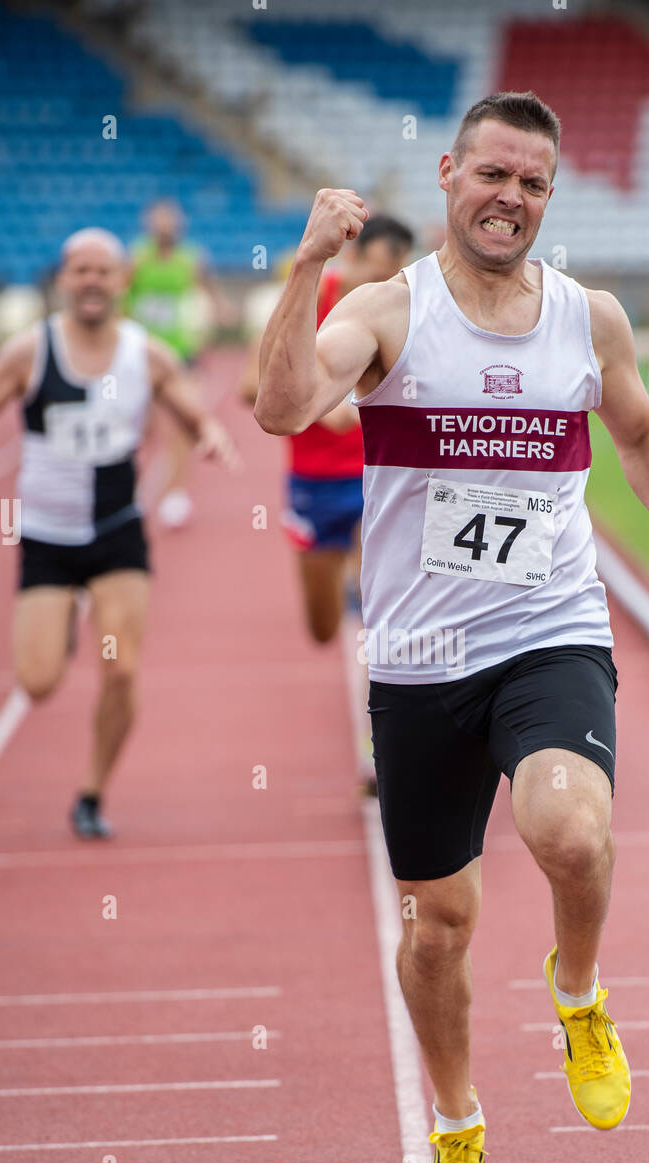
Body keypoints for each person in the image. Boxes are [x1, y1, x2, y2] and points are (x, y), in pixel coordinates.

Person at [254, 91, 649, 1163]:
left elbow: (642, 432)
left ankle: (578, 993)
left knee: (568, 826)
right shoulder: (384, 310)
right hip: (417, 656)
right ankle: (458, 1129)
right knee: (437, 925)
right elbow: (281, 406)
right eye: (493, 175)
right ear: (451, 174)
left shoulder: (585, 319)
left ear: (549, 197)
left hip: (546, 627)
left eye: (533, 183)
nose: (510, 198)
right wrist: (303, 265)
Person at [0, 227, 237, 838]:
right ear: (62, 280)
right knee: (38, 680)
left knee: (122, 669)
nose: (91, 281)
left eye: (102, 271)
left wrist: (209, 433)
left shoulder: (144, 352)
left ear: (122, 280)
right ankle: (60, 633)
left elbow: (187, 403)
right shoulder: (31, 351)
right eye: (79, 270)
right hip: (47, 539)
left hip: (115, 535)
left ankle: (92, 792)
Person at [242, 214, 413, 794]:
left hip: (376, 477)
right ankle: (342, 586)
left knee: (380, 615)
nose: (388, 284)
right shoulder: (314, 301)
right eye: (379, 270)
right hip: (315, 481)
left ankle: (379, 751)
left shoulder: (401, 307)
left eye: (398, 274)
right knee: (321, 628)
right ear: (354, 256)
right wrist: (321, 400)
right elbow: (255, 386)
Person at [126, 200, 234, 528]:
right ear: (149, 225)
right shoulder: (136, 257)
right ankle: (130, 490)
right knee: (143, 428)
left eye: (170, 222)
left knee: (183, 425)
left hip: (180, 353)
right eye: (159, 222)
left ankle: (176, 493)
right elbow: (120, 294)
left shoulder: (191, 257)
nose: (165, 227)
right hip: (140, 353)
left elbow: (208, 287)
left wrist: (220, 309)